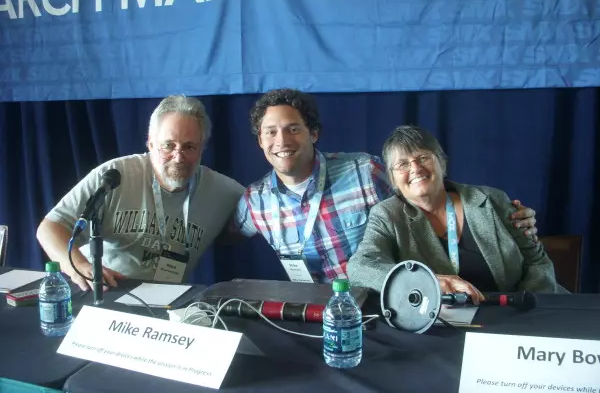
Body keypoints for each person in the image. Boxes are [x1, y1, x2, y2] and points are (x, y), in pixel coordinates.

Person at [233, 89, 539, 283]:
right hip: (311, 314)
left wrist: (503, 215)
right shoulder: (253, 202)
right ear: (260, 141)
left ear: (313, 134)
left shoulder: (365, 171)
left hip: (381, 305)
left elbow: (423, 195)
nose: (281, 141)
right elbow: (224, 235)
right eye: (270, 132)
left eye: (293, 129)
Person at [37, 95, 245, 291]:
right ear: (151, 143)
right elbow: (50, 228)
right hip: (108, 291)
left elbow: (265, 210)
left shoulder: (224, 191)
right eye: (168, 146)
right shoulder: (114, 176)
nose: (178, 157)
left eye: (189, 147)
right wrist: (79, 266)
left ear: (202, 149)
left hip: (168, 301)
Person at [347, 125, 565, 302]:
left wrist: (526, 308)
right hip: (441, 325)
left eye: (423, 158)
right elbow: (360, 268)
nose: (415, 168)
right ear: (393, 179)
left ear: (441, 162)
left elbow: (537, 262)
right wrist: (423, 280)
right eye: (402, 164)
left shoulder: (491, 200)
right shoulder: (387, 215)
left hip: (515, 312)